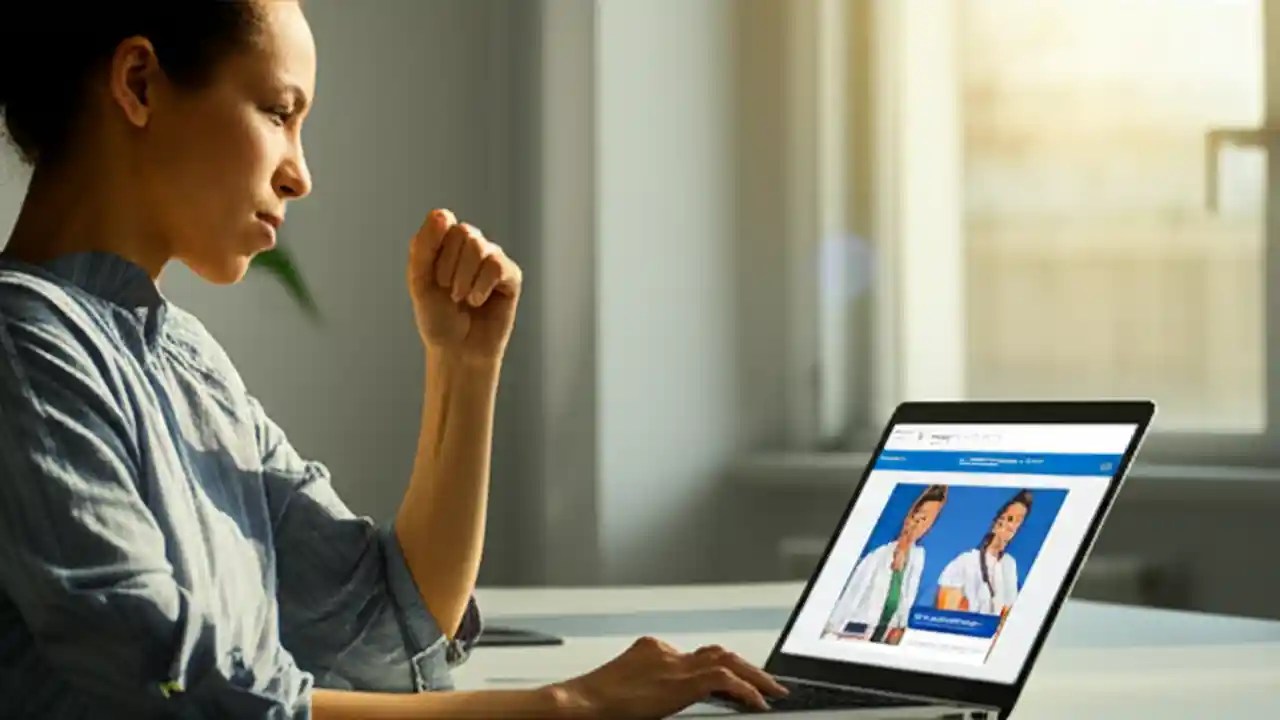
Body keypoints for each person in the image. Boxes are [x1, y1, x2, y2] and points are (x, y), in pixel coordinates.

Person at [0, 3, 786, 719]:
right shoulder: (24, 350)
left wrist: (463, 367)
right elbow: (178, 694)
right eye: (279, 113)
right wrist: (564, 705)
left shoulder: (183, 362)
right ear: (139, 83)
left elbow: (381, 627)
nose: (299, 174)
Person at [824, 485, 948, 645]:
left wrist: (901, 631)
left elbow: (906, 601)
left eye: (927, 520)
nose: (919, 524)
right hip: (854, 631)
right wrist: (832, 634)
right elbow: (851, 598)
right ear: (909, 516)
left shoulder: (918, 557)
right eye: (918, 517)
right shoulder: (877, 555)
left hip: (885, 635)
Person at [935, 490, 1034, 616]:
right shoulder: (965, 562)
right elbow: (946, 616)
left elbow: (1007, 612)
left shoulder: (1009, 564)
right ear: (997, 520)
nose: (1012, 525)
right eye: (1009, 518)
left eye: (1018, 521)